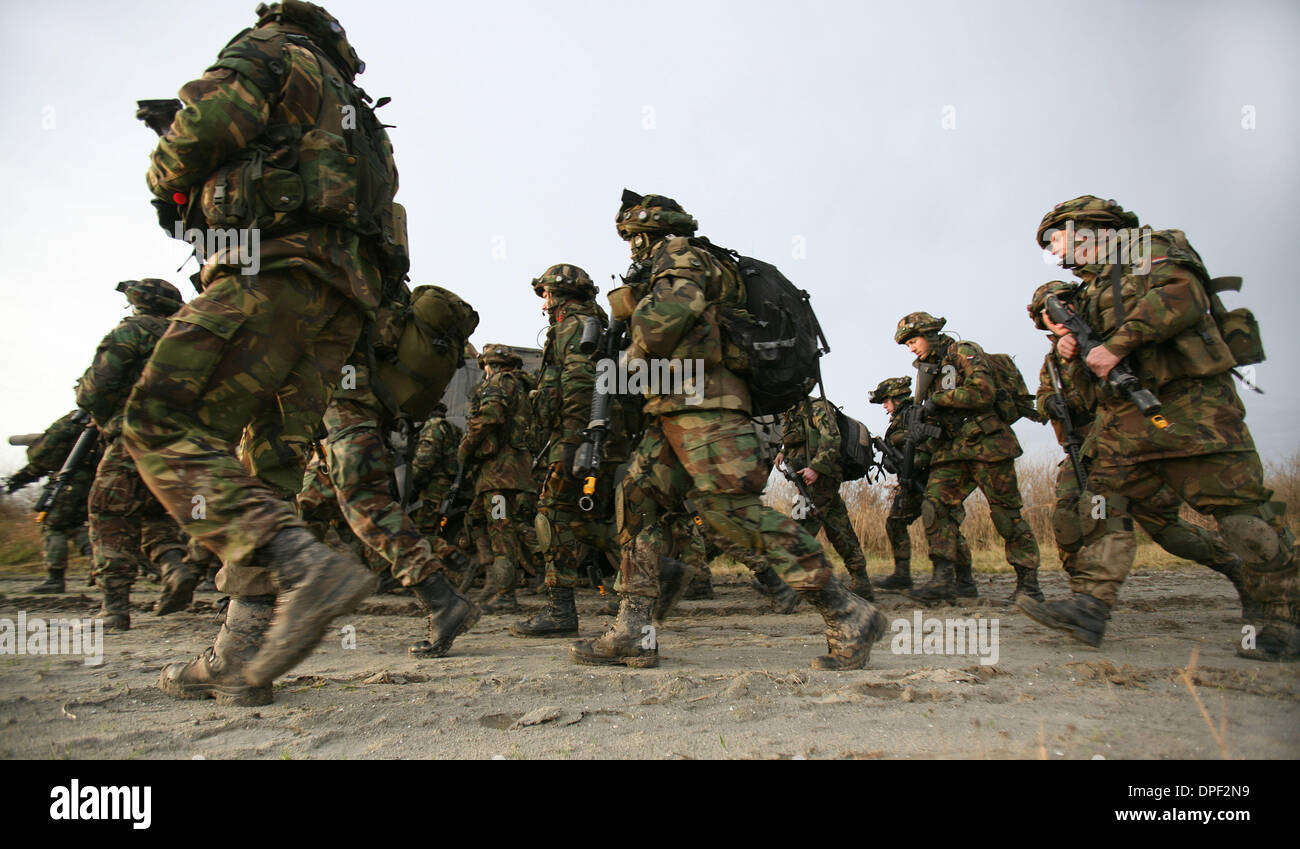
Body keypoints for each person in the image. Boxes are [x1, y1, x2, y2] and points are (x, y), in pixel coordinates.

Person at [125, 1, 401, 704]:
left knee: (159, 420)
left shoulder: (269, 50)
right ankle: (241, 654)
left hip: (269, 269)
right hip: (342, 298)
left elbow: (205, 130)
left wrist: (167, 176)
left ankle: (305, 566)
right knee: (266, 463)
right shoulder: (359, 111)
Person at [571, 190, 885, 670]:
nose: (631, 249)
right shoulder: (680, 260)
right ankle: (636, 627)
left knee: (728, 513)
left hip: (708, 405)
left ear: (643, 235)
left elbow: (662, 326)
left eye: (632, 238)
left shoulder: (680, 254)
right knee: (637, 494)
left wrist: (627, 340)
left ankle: (845, 609)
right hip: (675, 406)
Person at [1022, 197, 1294, 660]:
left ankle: (1282, 619)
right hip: (1123, 427)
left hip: (1191, 411)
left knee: (1241, 516)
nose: (1056, 251)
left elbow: (1181, 295)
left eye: (1057, 239)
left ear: (1085, 228)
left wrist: (1116, 345)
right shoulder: (1087, 292)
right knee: (1100, 503)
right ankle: (1091, 605)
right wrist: (1074, 350)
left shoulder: (1146, 248)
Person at [894, 312, 1043, 604]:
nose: (911, 348)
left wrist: (937, 401)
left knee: (1005, 514)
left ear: (930, 333)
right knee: (935, 506)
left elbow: (982, 393)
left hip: (988, 444)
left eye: (913, 340)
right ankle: (945, 580)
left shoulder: (963, 351)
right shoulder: (929, 371)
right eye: (907, 344)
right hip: (952, 450)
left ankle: (1029, 584)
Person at [77, 279, 193, 629]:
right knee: (155, 512)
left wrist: (104, 416)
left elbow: (95, 388)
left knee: (108, 512)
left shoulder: (134, 331)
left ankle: (114, 607)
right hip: (185, 443)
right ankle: (175, 566)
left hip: (135, 435)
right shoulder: (192, 335)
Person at [775, 394, 875, 599]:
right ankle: (861, 579)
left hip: (821, 478)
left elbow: (832, 438)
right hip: (809, 481)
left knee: (802, 525)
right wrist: (784, 452)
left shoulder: (817, 406)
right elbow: (800, 437)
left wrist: (816, 468)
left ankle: (787, 586)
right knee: (838, 526)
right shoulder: (793, 410)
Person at [5, 411, 97, 593]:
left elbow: (47, 455)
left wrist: (22, 477)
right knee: (76, 525)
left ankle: (55, 578)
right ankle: (102, 566)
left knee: (54, 526)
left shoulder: (77, 421)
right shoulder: (108, 418)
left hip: (72, 480)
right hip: (101, 480)